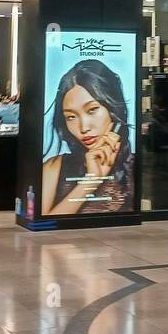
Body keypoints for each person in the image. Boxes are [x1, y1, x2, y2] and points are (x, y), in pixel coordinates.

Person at [42, 59, 134, 216]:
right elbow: (42, 228)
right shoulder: (53, 168)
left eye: (92, 110)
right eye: (71, 117)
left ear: (114, 109)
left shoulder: (136, 170)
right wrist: (91, 180)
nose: (84, 128)